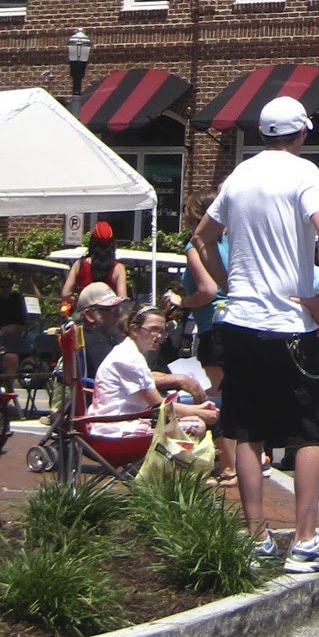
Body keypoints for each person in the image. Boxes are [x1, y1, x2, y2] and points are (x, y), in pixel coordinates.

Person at [191, 94, 319, 576]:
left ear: (262, 134)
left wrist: (224, 281)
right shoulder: (303, 174)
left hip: (239, 321)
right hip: (289, 324)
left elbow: (202, 236)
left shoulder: (240, 175)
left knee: (245, 428)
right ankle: (304, 539)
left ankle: (257, 536)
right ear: (300, 134)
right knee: (310, 432)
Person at [90, 302, 219, 443]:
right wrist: (198, 411)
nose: (158, 336)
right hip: (116, 430)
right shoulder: (129, 358)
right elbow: (159, 406)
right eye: (153, 330)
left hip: (115, 424)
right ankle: (171, 466)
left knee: (188, 420)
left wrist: (197, 409)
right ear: (134, 330)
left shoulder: (128, 351)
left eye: (162, 331)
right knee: (197, 425)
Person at [179, 190, 235, 484]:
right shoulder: (229, 241)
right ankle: (250, 459)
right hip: (237, 324)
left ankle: (226, 466)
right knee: (236, 394)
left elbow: (207, 290)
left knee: (215, 398)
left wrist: (181, 302)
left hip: (213, 326)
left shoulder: (196, 245)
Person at [61, 221, 127, 305]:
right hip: (107, 314)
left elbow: (65, 294)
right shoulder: (118, 268)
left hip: (85, 313)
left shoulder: (79, 265)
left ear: (92, 242)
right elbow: (122, 298)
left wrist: (80, 300)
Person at [73, 281, 125, 376]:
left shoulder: (83, 335)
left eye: (118, 308)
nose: (118, 314)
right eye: (111, 310)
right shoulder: (97, 345)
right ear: (89, 316)